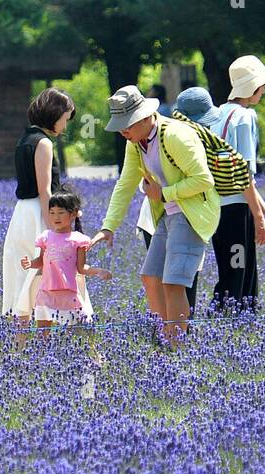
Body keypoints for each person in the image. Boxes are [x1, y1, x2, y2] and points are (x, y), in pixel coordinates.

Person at [91, 85, 220, 344]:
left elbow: (204, 180)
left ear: (144, 117)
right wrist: (108, 227)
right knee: (151, 276)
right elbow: (125, 184)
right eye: (120, 125)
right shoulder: (135, 143)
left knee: (173, 283)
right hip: (167, 213)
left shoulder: (175, 136)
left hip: (192, 212)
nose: (123, 131)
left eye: (127, 124)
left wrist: (165, 194)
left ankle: (176, 345)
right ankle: (163, 340)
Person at [180, 80, 265, 315]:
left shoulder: (219, 114)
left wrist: (264, 210)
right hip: (236, 207)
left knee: (233, 266)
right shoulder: (245, 116)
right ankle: (227, 317)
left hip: (216, 205)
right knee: (240, 269)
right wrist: (259, 216)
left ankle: (235, 317)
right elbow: (245, 173)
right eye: (261, 86)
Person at [2, 87, 91, 337]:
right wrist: (57, 227)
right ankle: (47, 337)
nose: (65, 124)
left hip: (21, 214)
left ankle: (19, 340)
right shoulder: (43, 143)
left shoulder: (24, 139)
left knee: (23, 278)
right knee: (47, 275)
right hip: (40, 212)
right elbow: (44, 190)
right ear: (54, 114)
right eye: (65, 118)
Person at [19, 188, 112, 338]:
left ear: (73, 214)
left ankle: (91, 357)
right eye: (52, 212)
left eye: (61, 212)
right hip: (46, 292)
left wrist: (98, 271)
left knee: (77, 333)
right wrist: (30, 263)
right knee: (42, 333)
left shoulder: (78, 240)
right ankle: (42, 359)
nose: (56, 216)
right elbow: (41, 262)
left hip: (68, 293)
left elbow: (81, 268)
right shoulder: (45, 237)